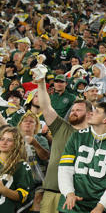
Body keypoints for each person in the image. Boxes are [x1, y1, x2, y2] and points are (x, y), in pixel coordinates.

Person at [33, 73, 92, 213]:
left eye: (78, 110)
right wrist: (41, 84)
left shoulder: (96, 137)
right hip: (51, 191)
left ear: (90, 114)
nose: (73, 112)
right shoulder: (61, 127)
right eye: (72, 110)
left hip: (78, 196)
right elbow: (46, 107)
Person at [57, 102, 106, 213]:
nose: (91, 113)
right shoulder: (77, 136)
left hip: (98, 204)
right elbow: (65, 168)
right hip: (72, 203)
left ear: (105, 119)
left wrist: (102, 205)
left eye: (97, 112)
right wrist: (69, 192)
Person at [0, 126, 34, 213]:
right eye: (2, 139)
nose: (4, 142)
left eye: (9, 140)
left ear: (16, 144)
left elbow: (23, 197)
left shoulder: (21, 166)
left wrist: (3, 190)